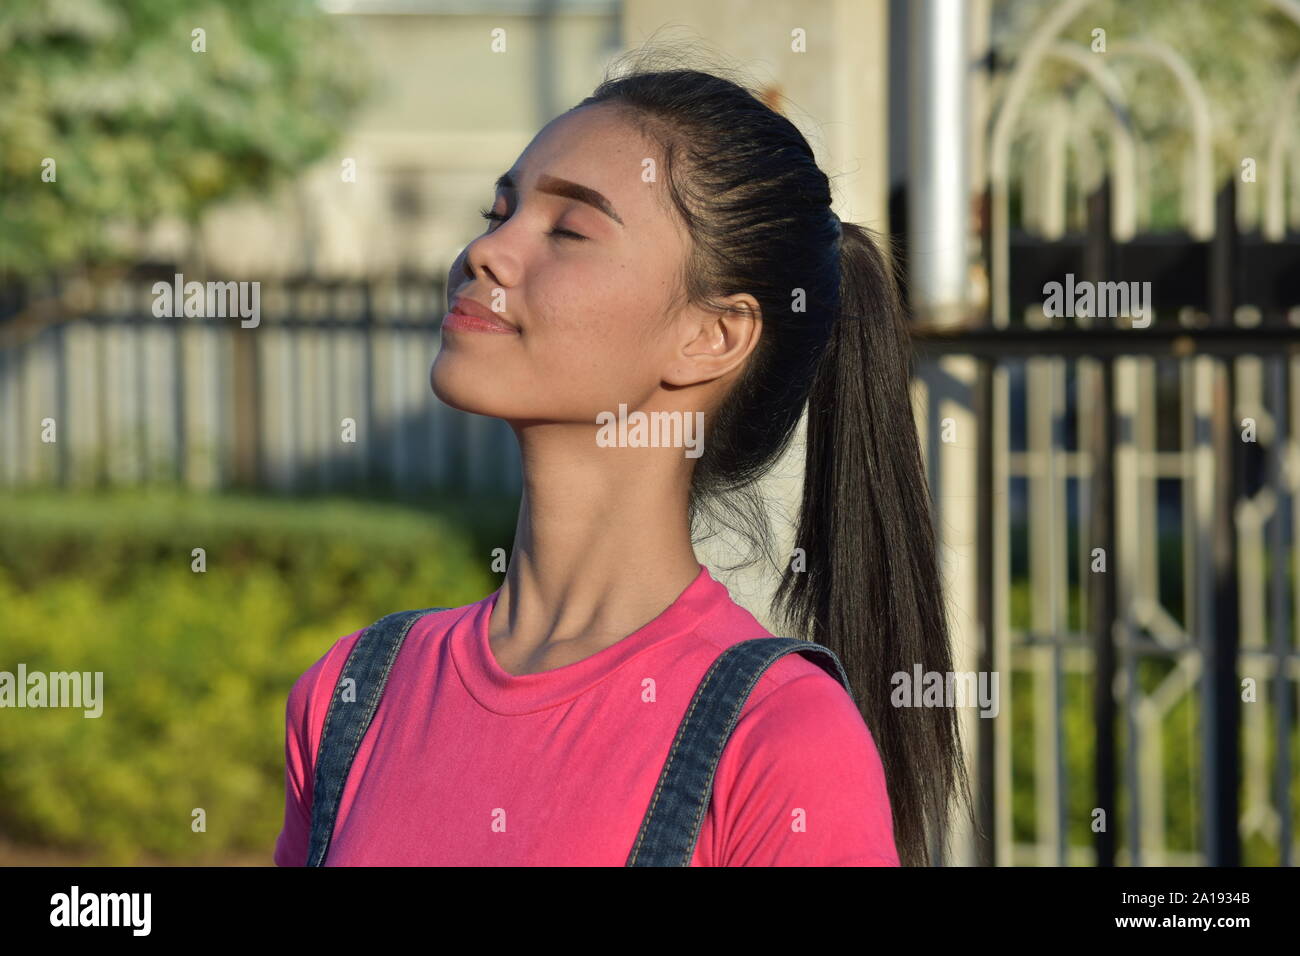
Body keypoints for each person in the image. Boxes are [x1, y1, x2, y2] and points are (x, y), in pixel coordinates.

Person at [275, 54, 972, 867]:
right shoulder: (351, 694)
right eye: (498, 211)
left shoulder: (779, 740)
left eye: (569, 231)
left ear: (711, 336)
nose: (487, 253)